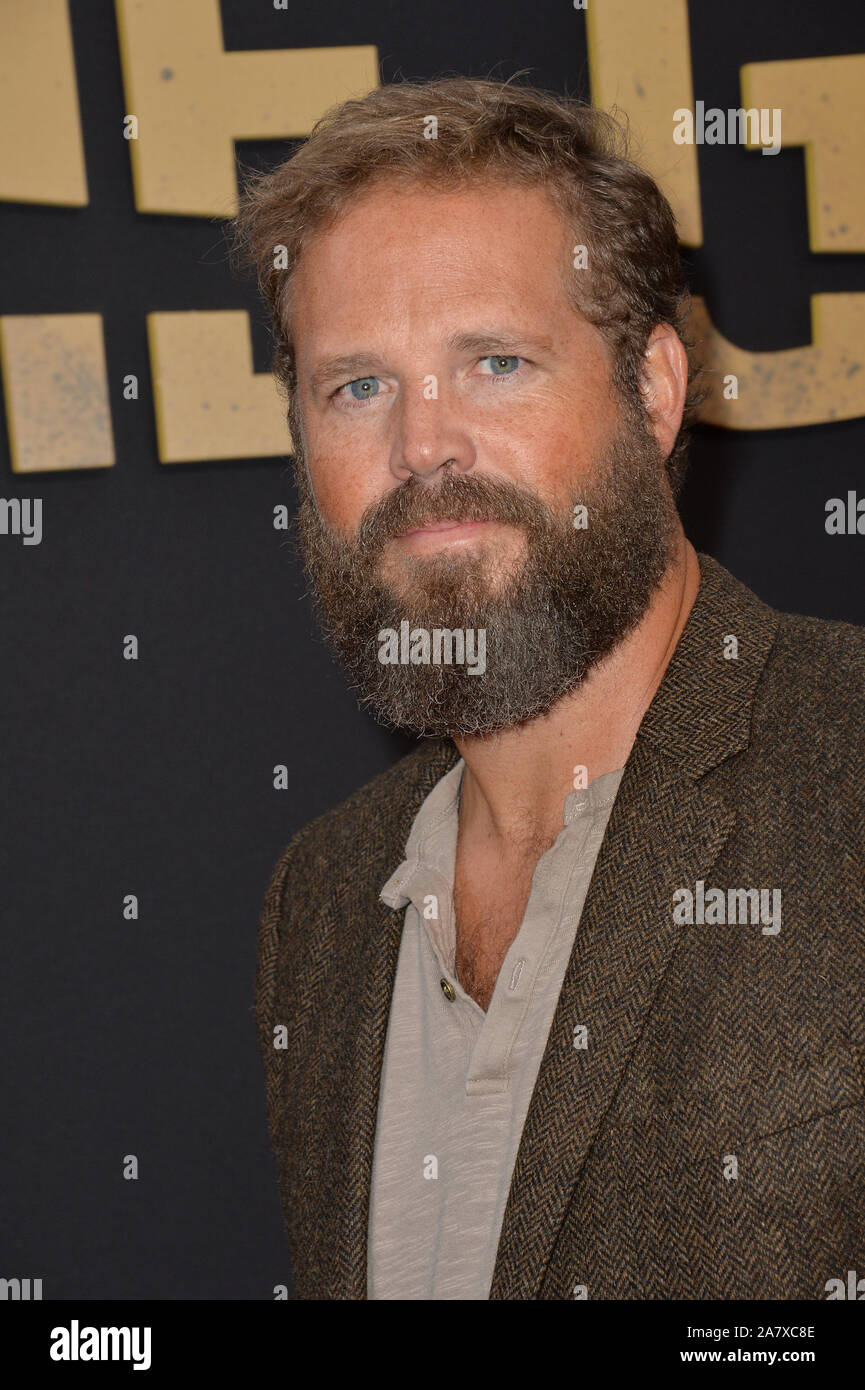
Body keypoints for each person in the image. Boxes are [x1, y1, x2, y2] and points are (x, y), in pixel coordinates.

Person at [230, 76, 865, 1300]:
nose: (421, 447)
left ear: (656, 390)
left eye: (496, 362)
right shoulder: (320, 903)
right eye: (356, 387)